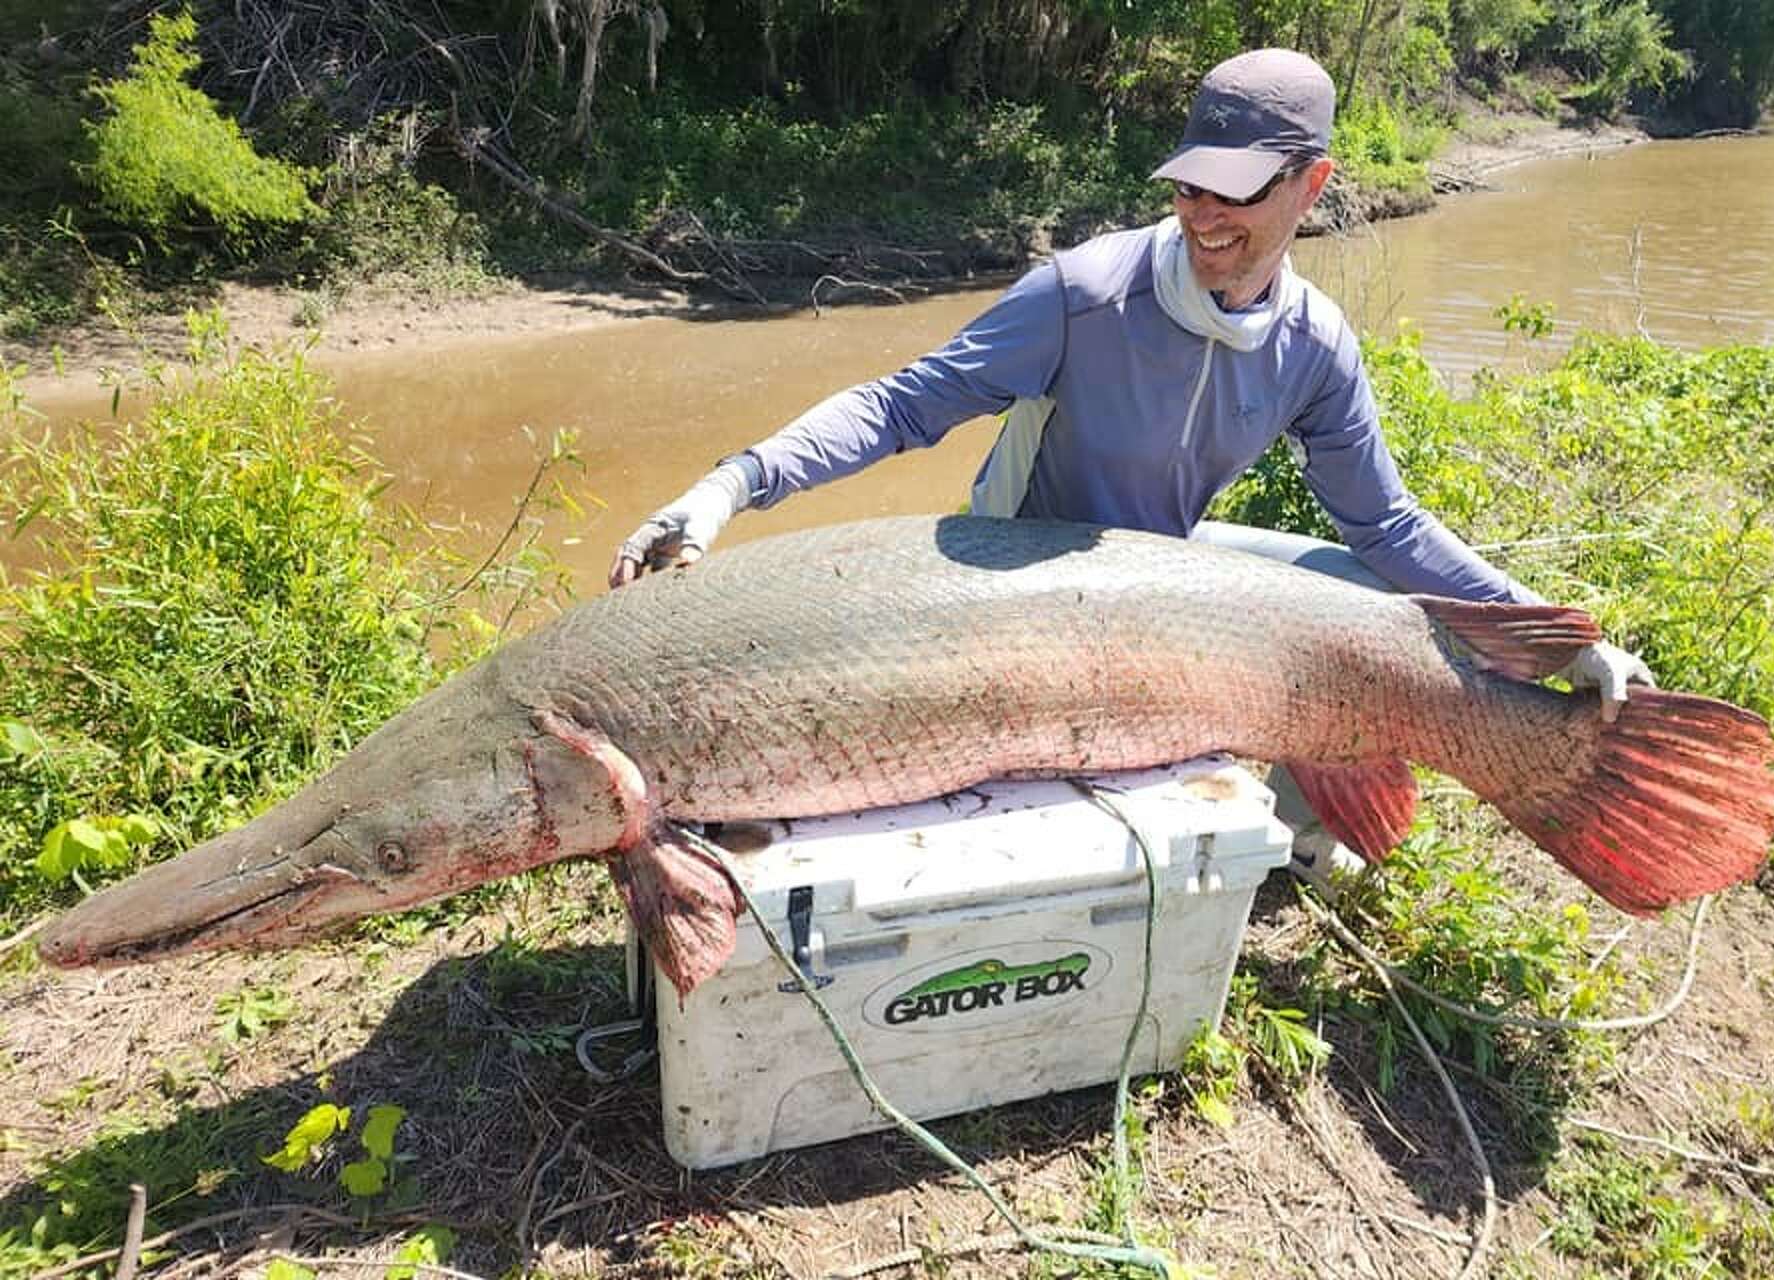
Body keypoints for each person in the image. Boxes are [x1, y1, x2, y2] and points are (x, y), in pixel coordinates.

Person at [607, 48, 1652, 881]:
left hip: (1162, 573)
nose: (1204, 215)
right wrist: (728, 485)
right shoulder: (1084, 294)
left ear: (1312, 184)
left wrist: (1558, 636)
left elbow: (1386, 523)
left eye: (1236, 191)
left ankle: (1295, 835)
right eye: (1191, 185)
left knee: (1364, 598)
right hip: (1013, 580)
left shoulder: (1313, 345)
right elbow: (901, 406)